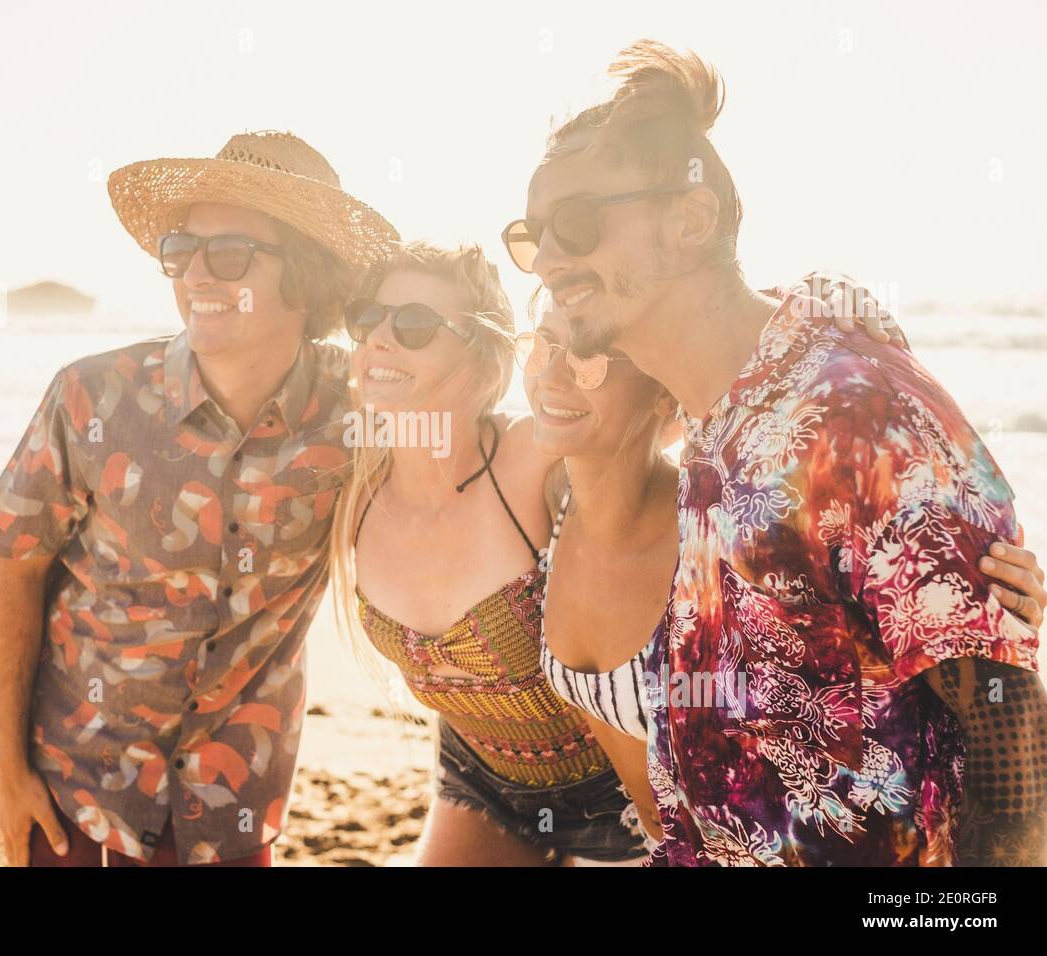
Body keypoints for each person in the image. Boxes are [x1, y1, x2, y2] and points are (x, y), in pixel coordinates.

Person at [511, 38, 1047, 864]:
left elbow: (1007, 720)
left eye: (576, 224)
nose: (546, 260)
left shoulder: (851, 416)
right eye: (532, 232)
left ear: (689, 220)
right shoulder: (718, 427)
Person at [0, 130, 397, 866]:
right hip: (74, 801)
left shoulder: (363, 417)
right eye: (180, 250)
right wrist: (8, 773)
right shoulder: (91, 397)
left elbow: (467, 433)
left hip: (234, 816)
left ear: (307, 276)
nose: (193, 274)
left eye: (228, 253)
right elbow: (16, 570)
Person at [519, 290, 1045, 866]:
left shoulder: (723, 526)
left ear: (662, 390)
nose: (549, 375)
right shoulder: (540, 495)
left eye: (585, 359)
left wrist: (976, 600)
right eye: (540, 345)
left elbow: (959, 673)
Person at [330, 241, 651, 865]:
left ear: (483, 357)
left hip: (622, 796)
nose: (380, 340)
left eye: (415, 324)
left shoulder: (536, 455)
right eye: (368, 320)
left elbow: (655, 398)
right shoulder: (353, 486)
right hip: (478, 780)